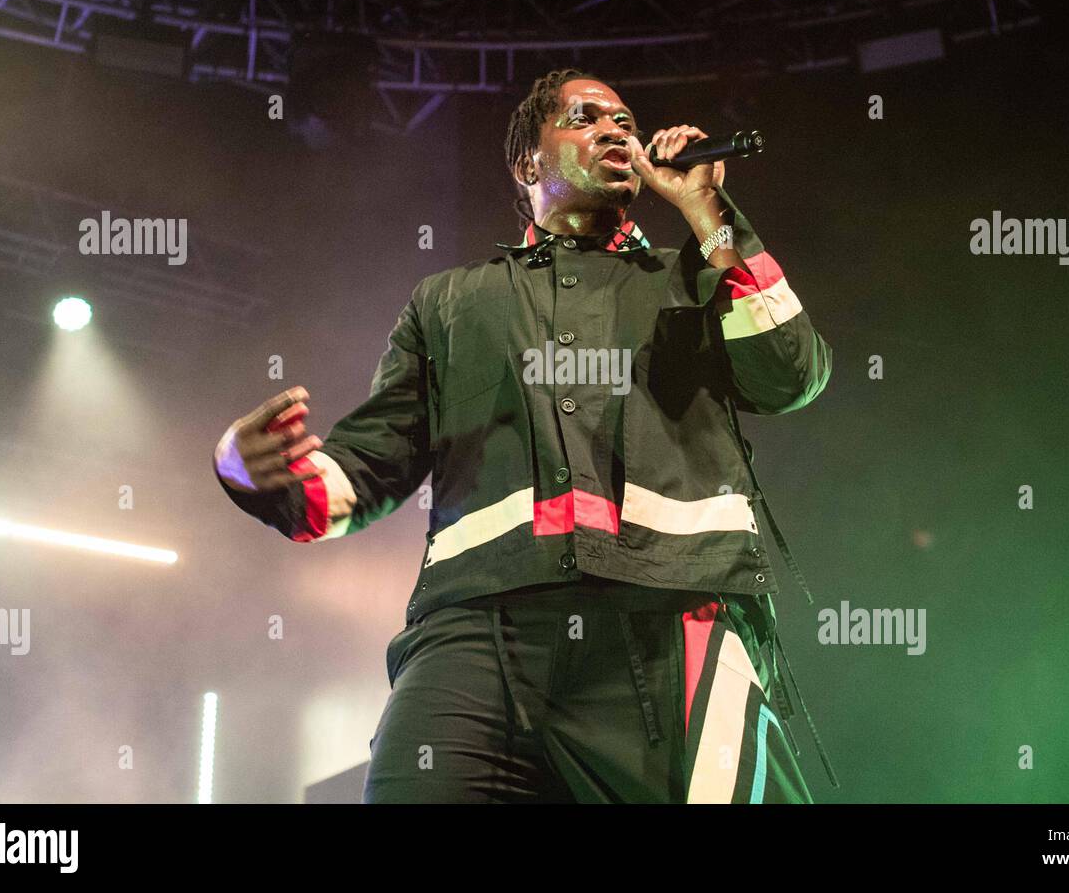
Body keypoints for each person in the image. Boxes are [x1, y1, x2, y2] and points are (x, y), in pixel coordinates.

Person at [213, 68, 835, 802]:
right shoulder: (449, 302)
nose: (616, 129)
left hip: (674, 620)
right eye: (585, 117)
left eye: (626, 121)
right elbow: (374, 463)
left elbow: (791, 373)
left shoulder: (695, 274)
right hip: (475, 635)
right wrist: (261, 476)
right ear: (528, 163)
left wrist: (710, 213)